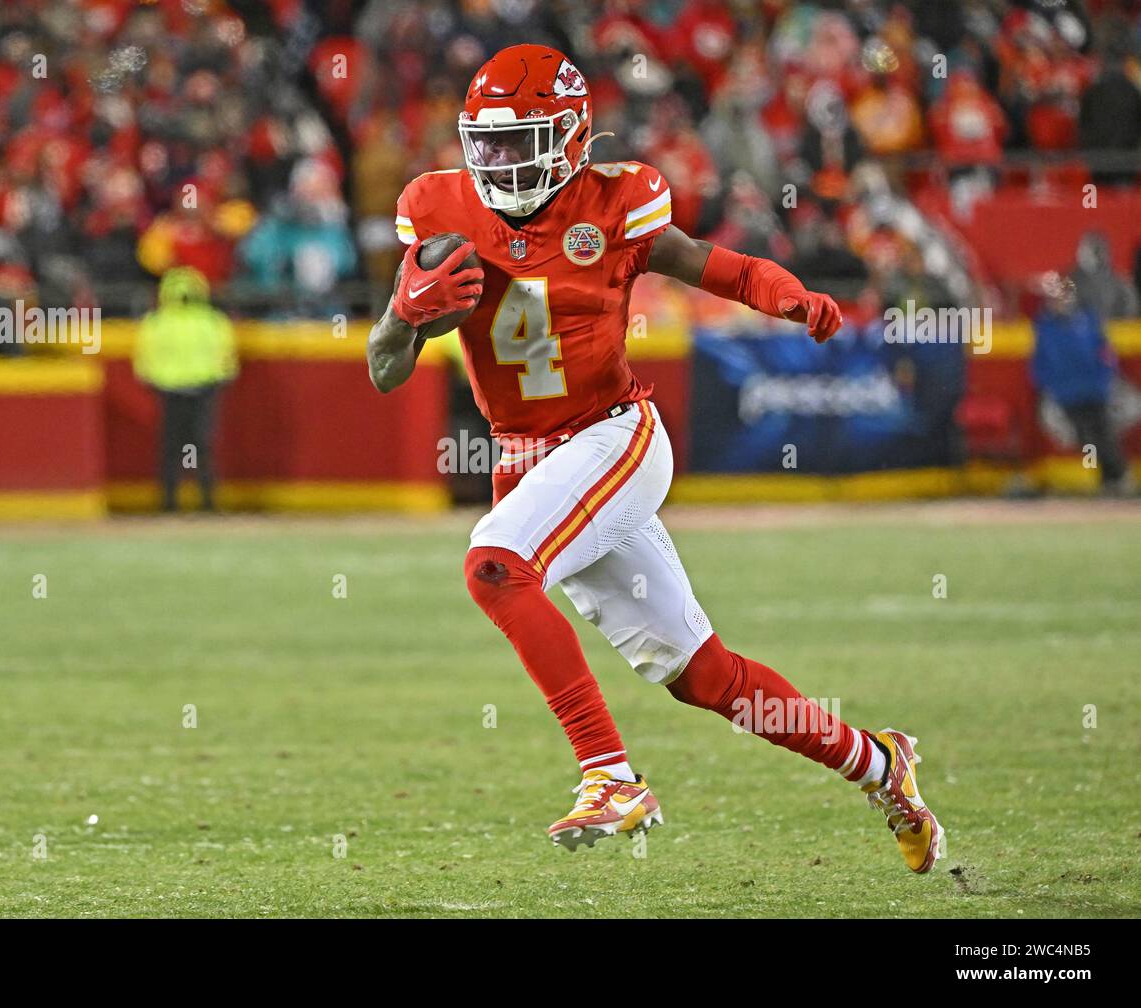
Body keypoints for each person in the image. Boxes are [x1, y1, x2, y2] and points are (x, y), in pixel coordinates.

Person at [367, 45, 943, 873]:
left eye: (519, 142)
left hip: (612, 436)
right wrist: (401, 312)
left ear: (571, 139)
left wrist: (788, 296)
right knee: (704, 676)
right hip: (523, 459)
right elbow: (386, 371)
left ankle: (610, 777)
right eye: (486, 144)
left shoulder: (619, 202)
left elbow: (715, 264)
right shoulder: (437, 208)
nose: (497, 162)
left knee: (495, 563)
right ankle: (880, 765)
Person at [134, 267, 237, 513]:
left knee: (173, 448)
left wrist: (156, 381)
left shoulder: (156, 322)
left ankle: (170, 503)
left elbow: (144, 361)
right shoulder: (213, 321)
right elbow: (227, 359)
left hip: (170, 392)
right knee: (201, 447)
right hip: (204, 391)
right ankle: (206, 503)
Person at [1032, 274, 1130, 494]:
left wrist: (1105, 377)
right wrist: (1049, 384)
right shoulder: (1045, 326)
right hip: (1068, 393)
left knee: (1103, 434)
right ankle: (1105, 477)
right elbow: (1041, 360)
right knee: (1085, 438)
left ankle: (1115, 477)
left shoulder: (1086, 319)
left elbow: (1104, 350)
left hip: (1094, 389)